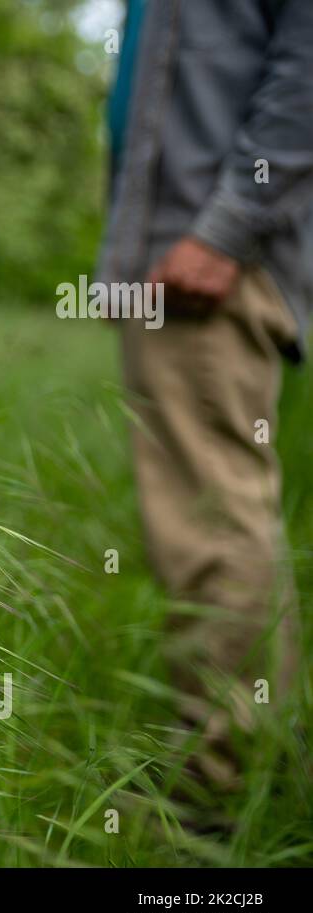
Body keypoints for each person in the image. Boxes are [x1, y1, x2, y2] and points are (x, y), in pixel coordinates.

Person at [100, 0, 312, 794]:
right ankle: (260, 766)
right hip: (171, 255)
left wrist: (226, 228)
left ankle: (216, 802)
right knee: (217, 514)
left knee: (212, 526)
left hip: (207, 261)